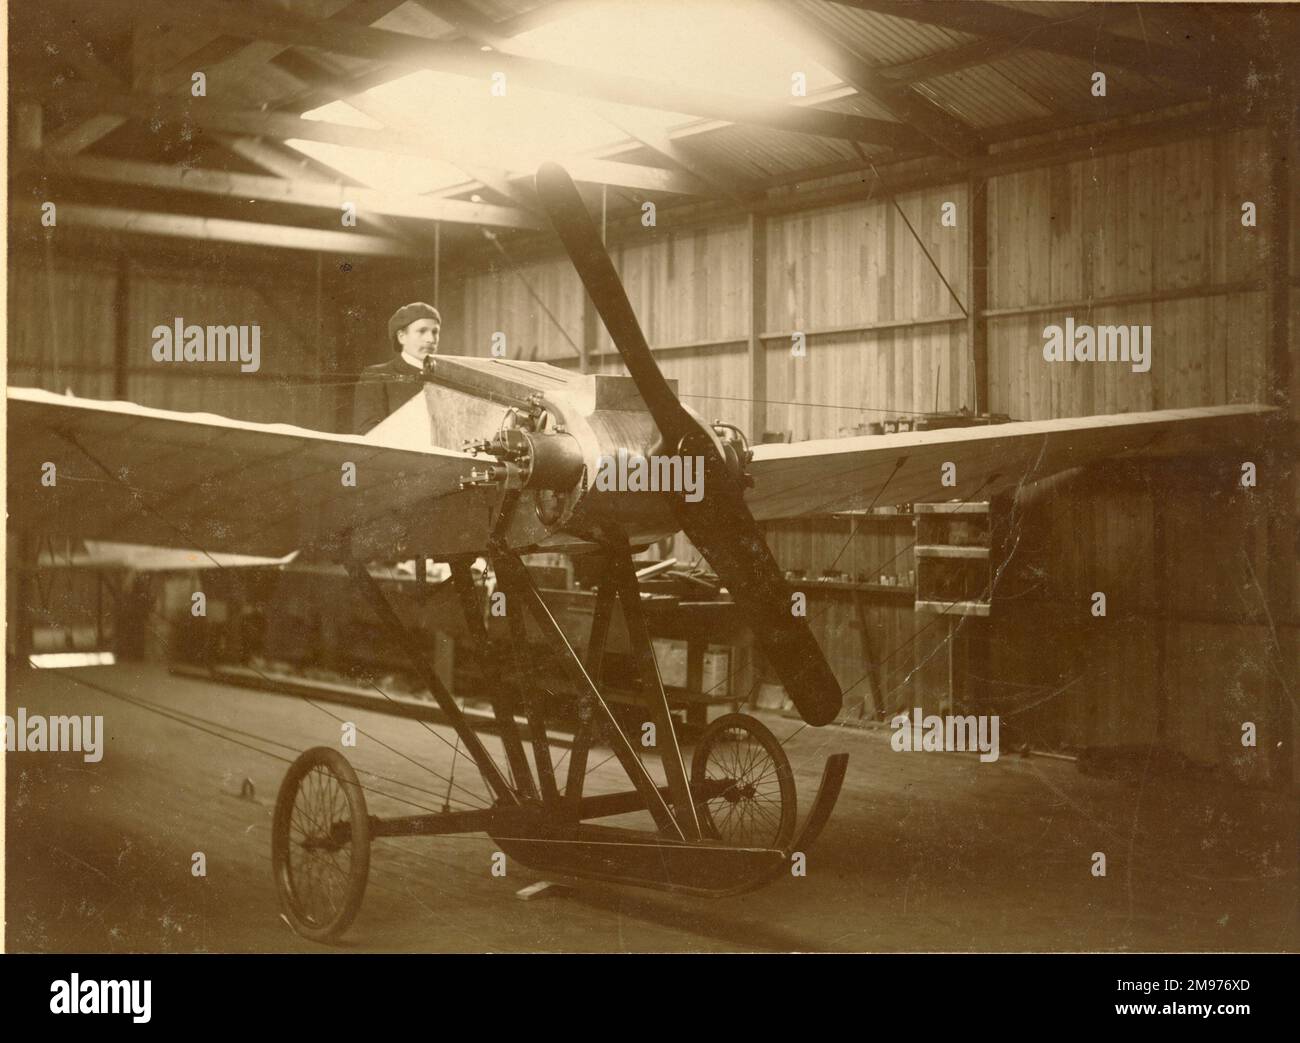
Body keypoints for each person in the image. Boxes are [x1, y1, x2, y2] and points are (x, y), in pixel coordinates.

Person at [352, 302, 441, 434]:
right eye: (422, 331)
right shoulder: (377, 375)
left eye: (435, 332)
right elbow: (368, 433)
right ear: (401, 337)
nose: (430, 339)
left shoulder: (446, 378)